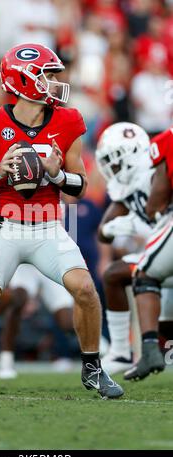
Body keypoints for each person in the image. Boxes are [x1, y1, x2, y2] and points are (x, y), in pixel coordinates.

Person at [0, 43, 124, 399]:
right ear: (24, 80)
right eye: (47, 75)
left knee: (86, 290)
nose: (54, 82)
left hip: (48, 227)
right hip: (6, 226)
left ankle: (92, 368)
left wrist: (56, 175)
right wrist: (0, 169)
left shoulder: (67, 120)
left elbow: (80, 186)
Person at [95, 122, 173, 375]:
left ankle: (124, 352)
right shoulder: (126, 186)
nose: (111, 168)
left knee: (164, 329)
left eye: (113, 161)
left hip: (165, 247)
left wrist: (133, 224)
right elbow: (104, 232)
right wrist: (116, 227)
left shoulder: (153, 169)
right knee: (114, 274)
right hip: (161, 251)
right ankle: (120, 352)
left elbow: (157, 211)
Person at [124, 127, 173, 380]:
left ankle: (150, 350)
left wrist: (153, 213)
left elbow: (157, 201)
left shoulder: (167, 139)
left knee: (144, 274)